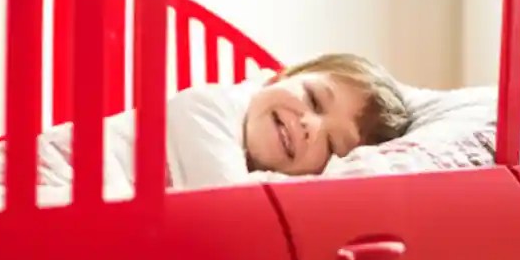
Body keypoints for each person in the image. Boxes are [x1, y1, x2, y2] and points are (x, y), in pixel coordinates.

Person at [159, 52, 413, 190]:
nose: (310, 127)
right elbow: (232, 222)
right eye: (314, 100)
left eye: (331, 146)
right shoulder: (208, 109)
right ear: (279, 77)